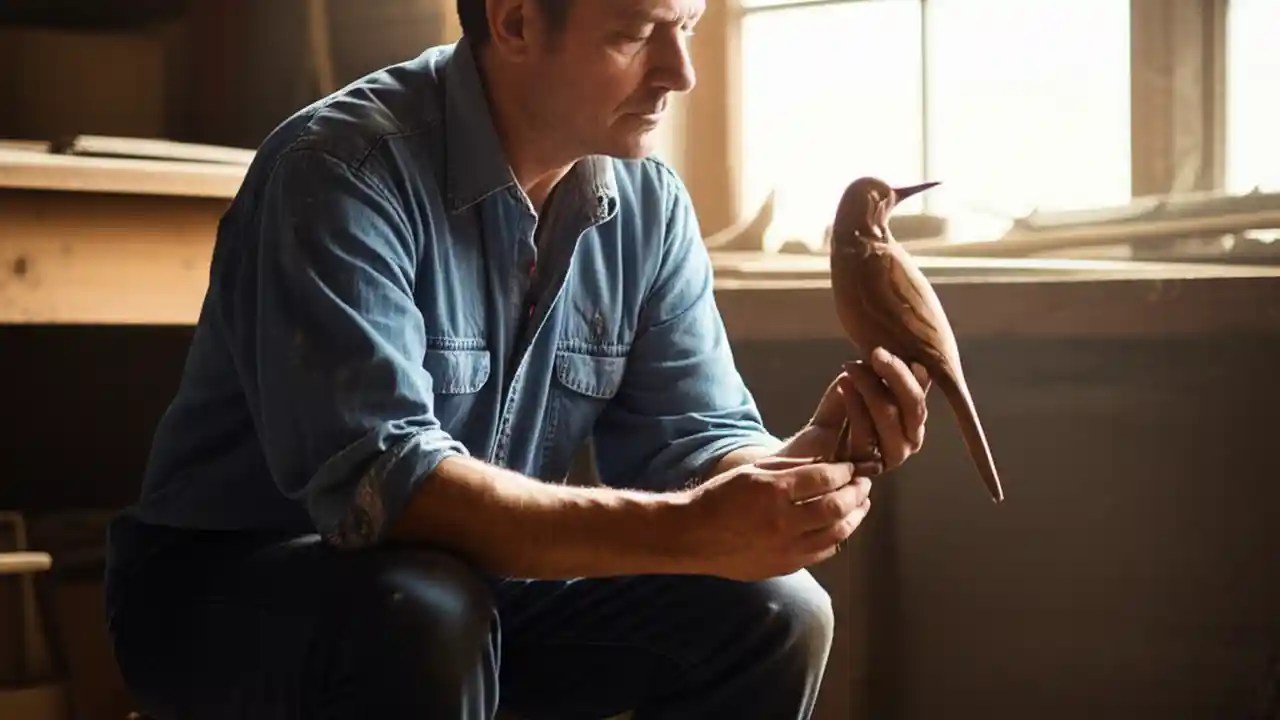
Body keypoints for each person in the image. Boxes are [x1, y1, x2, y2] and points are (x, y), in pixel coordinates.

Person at [104, 1, 930, 718]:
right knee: (425, 613)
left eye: (688, 27)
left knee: (780, 610)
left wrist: (799, 471)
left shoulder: (648, 205)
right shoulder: (340, 172)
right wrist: (691, 529)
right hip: (224, 597)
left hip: (479, 586)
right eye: (637, 34)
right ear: (516, 21)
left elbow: (697, 446)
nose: (679, 74)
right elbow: (393, 490)